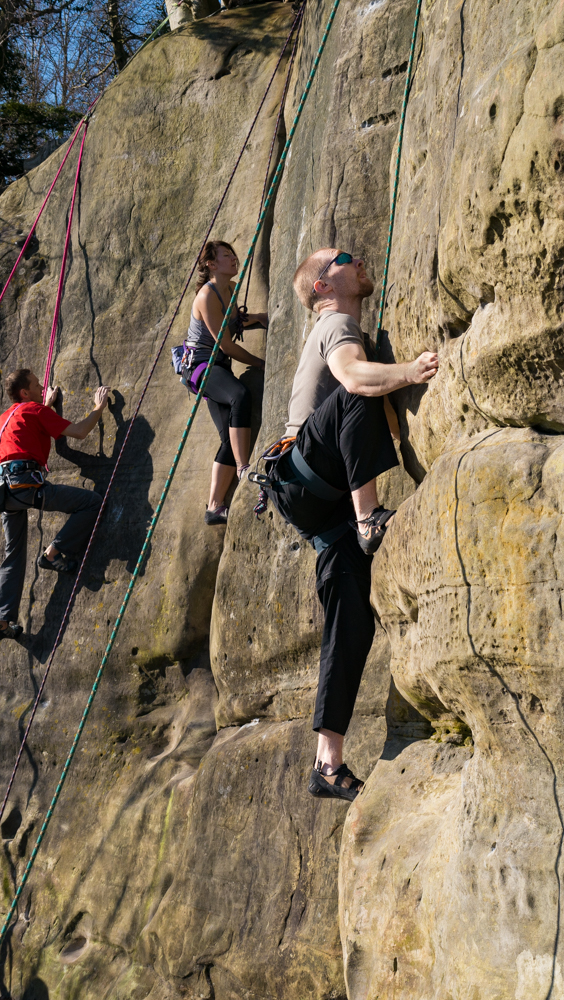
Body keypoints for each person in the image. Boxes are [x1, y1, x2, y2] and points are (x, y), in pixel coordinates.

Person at [268, 248, 439, 801]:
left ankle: (327, 762)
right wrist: (412, 371)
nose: (360, 258)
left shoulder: (340, 325)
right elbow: (355, 382)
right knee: (355, 391)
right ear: (323, 285)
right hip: (310, 474)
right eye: (345, 258)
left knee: (352, 620)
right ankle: (370, 519)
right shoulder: (336, 322)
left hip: (314, 496)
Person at [0, 369, 111, 642]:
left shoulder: (6, 418)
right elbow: (81, 432)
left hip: (4, 490)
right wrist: (99, 407)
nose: (42, 389)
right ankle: (53, 553)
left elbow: (26, 429)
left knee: (13, 555)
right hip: (25, 483)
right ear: (25, 393)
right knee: (92, 503)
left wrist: (46, 405)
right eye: (37, 386)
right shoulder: (35, 410)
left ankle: (2, 622)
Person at [185, 240, 267, 525]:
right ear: (211, 264)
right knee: (239, 396)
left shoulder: (229, 290)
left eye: (234, 254)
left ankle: (214, 507)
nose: (234, 258)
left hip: (216, 365)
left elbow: (235, 322)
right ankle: (244, 468)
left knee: (226, 438)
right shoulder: (206, 296)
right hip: (200, 366)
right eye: (226, 255)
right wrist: (259, 363)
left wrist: (259, 318)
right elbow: (227, 345)